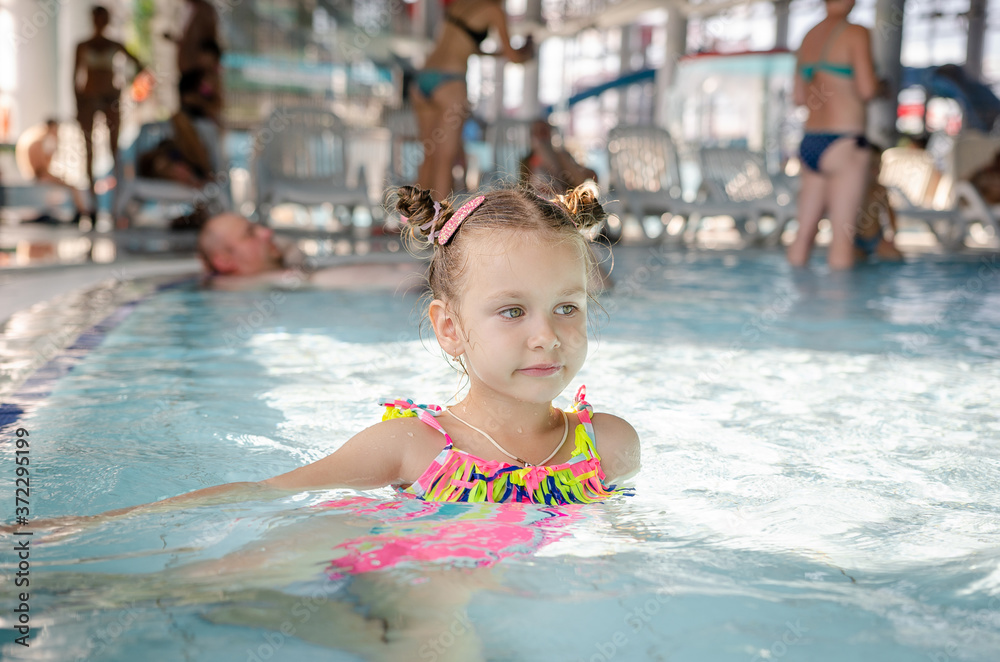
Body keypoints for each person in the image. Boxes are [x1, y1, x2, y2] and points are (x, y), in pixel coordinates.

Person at [37, 183, 638, 527]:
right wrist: (89, 527)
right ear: (450, 329)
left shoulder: (609, 447)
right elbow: (266, 491)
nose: (546, 337)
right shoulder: (412, 447)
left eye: (567, 307)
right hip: (399, 584)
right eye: (512, 311)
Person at [787, 0, 879, 270]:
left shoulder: (808, 35)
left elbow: (799, 98)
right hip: (844, 142)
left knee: (802, 236)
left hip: (811, 141)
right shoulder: (856, 32)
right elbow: (867, 90)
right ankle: (841, 311)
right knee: (842, 240)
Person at [411, 0, 533, 198]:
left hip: (424, 76)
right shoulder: (494, 10)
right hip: (450, 82)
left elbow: (466, 43)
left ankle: (414, 223)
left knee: (429, 155)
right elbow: (514, 57)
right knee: (444, 160)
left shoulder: (462, 3)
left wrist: (495, 54)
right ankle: (440, 226)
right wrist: (527, 51)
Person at [197, 211, 425, 291]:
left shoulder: (288, 268)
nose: (266, 232)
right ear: (224, 261)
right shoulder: (232, 290)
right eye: (250, 234)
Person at [74, 5, 145, 215]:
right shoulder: (82, 45)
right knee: (88, 151)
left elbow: (140, 66)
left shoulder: (116, 45)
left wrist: (124, 86)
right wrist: (78, 104)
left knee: (114, 149)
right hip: (88, 100)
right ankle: (91, 206)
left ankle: (116, 205)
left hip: (110, 100)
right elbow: (74, 77)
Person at [25, 120, 88, 221]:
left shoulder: (46, 143)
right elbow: (41, 169)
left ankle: (81, 211)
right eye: (55, 129)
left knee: (72, 185)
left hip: (43, 175)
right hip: (41, 176)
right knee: (73, 187)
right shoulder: (38, 143)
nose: (56, 132)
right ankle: (82, 211)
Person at [519, 119, 598, 196]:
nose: (541, 136)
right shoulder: (527, 161)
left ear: (550, 133)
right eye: (537, 132)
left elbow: (580, 180)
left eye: (544, 131)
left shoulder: (562, 156)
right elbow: (525, 186)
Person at [855, 145, 903, 262]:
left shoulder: (880, 190)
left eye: (879, 165)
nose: (876, 169)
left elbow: (890, 213)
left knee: (897, 258)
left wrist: (893, 236)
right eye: (871, 165)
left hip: (876, 238)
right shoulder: (853, 190)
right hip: (855, 239)